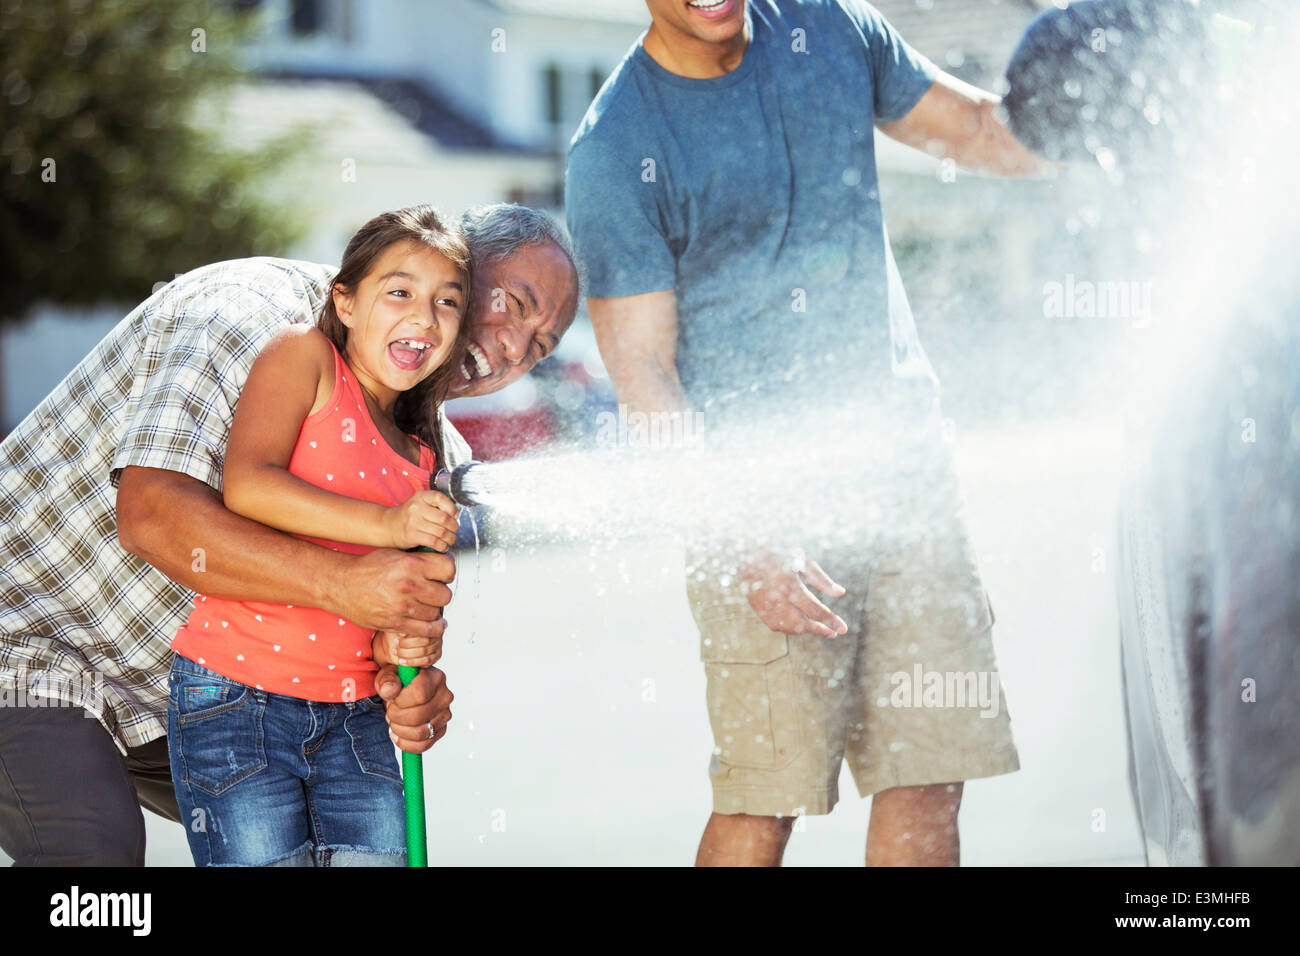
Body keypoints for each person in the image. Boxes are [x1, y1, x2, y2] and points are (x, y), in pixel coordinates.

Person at [565, 0, 1051, 866]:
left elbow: (979, 128)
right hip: (762, 507)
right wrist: (745, 540)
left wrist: (1103, 130)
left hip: (907, 477)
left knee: (930, 773)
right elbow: (647, 378)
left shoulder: (830, 25)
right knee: (767, 798)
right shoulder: (616, 147)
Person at [0, 202, 579, 866]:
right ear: (450, 257)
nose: (511, 347)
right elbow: (154, 516)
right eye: (513, 302)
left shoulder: (431, 454)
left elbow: (374, 622)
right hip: (33, 641)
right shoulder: (248, 314)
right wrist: (344, 585)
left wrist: (404, 676)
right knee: (90, 858)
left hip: (208, 696)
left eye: (538, 344)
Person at [168, 206, 471, 866]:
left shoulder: (421, 455)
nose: (424, 316)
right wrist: (388, 524)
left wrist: (406, 653)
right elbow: (249, 484)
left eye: (447, 302)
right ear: (346, 300)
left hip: (355, 720)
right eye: (400, 292)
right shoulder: (304, 358)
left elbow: (390, 605)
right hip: (237, 700)